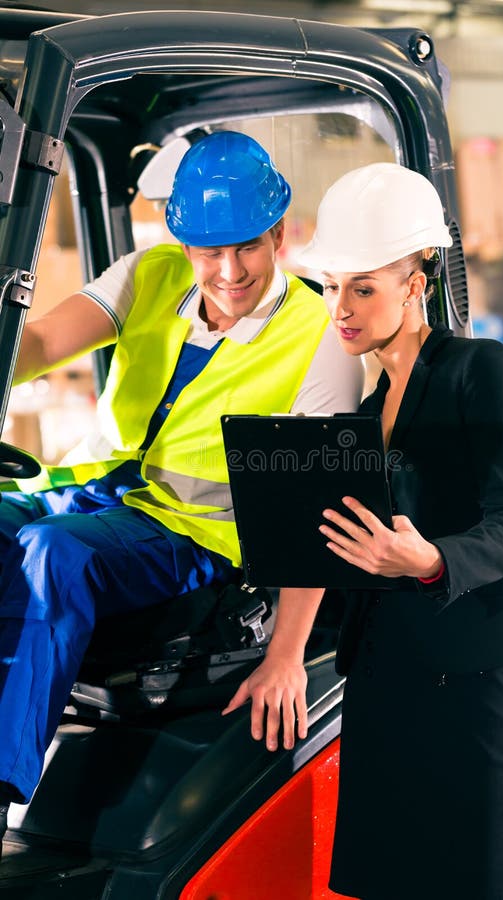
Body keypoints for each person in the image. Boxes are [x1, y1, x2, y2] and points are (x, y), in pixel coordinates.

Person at [0, 131, 363, 858]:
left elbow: (312, 511)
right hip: (98, 497)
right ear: (183, 242)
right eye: (209, 252)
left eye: (248, 248)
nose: (228, 272)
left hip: (193, 537)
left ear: (280, 235)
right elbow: (36, 344)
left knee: (50, 556)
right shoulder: (151, 275)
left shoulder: (318, 337)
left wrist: (287, 654)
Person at [225, 162, 503, 900]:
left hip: (471, 680)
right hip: (384, 675)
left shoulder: (482, 371)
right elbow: (338, 543)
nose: (338, 307)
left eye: (362, 288)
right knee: (385, 882)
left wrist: (431, 558)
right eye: (329, 287)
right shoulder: (363, 407)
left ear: (417, 281)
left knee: (468, 882)